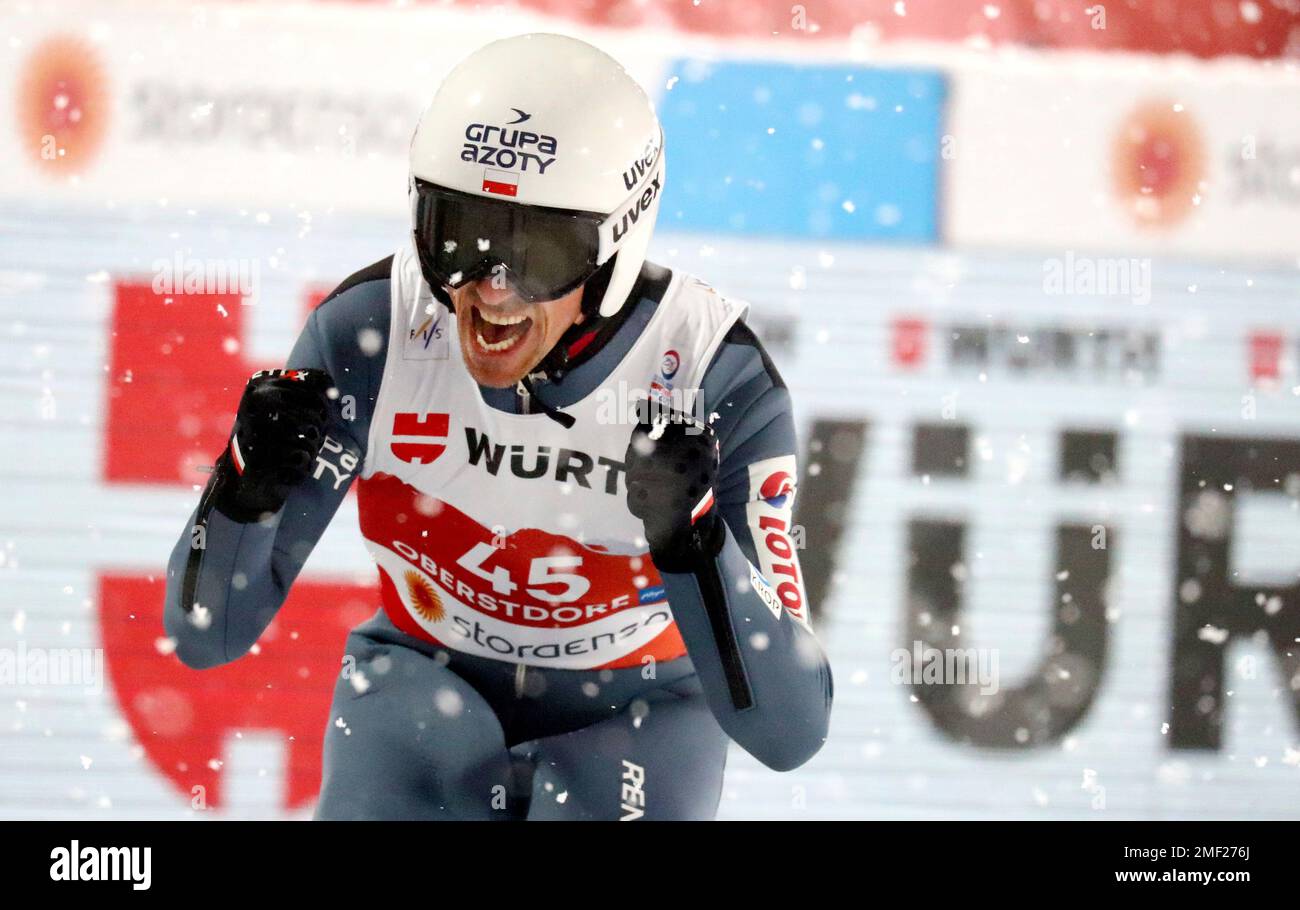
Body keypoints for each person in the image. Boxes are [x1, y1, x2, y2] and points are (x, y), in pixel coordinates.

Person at [163, 32, 832, 820]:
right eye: (459, 235)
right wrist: (241, 489)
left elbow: (791, 730)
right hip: (424, 686)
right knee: (408, 730)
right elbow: (206, 635)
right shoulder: (368, 333)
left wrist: (696, 547)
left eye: (538, 250)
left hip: (639, 717)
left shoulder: (716, 376)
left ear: (616, 246)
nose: (491, 290)